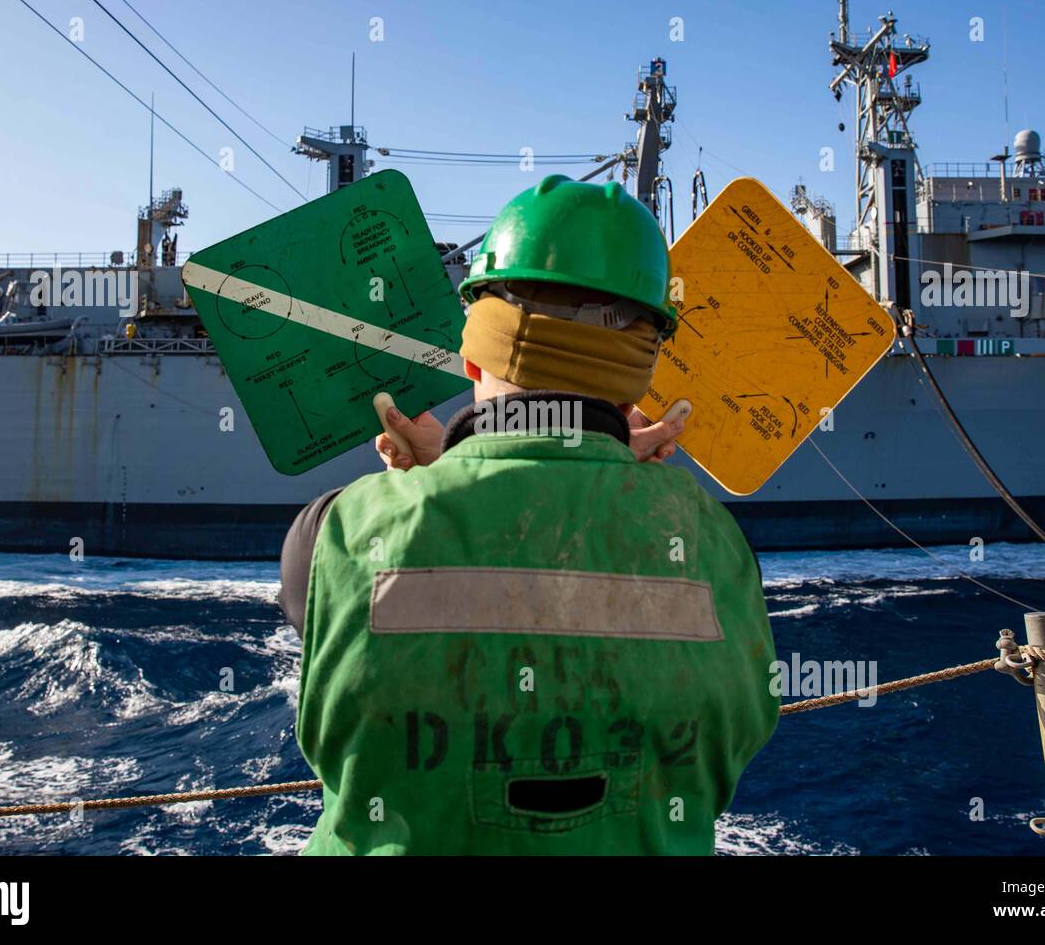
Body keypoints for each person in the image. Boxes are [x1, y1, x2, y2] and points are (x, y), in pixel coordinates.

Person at [278, 174, 778, 854]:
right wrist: (600, 465)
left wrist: (449, 463)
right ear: (642, 370)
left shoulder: (329, 535)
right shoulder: (721, 549)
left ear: (471, 353)